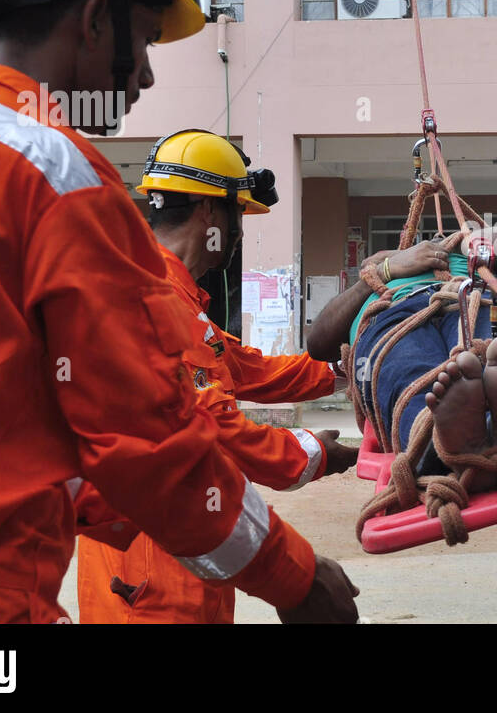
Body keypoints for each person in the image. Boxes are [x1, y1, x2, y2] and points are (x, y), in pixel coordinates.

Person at [0, 0, 356, 623]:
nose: (149, 76)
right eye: (149, 42)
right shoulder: (56, 172)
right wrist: (293, 575)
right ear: (97, 21)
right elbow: (142, 433)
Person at [74, 129, 358, 623]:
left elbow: (247, 369)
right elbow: (209, 428)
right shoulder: (153, 298)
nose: (239, 232)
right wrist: (311, 452)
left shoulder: (169, 294)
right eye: (238, 215)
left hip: (162, 565)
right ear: (209, 213)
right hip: (152, 584)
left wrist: (343, 369)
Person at [307, 225, 497, 489]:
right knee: (404, 366)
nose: (435, 240)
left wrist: (472, 241)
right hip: (393, 315)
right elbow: (318, 344)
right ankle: (457, 440)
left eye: (442, 236)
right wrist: (384, 270)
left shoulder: (482, 259)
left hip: (474, 295)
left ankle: (465, 445)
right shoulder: (377, 277)